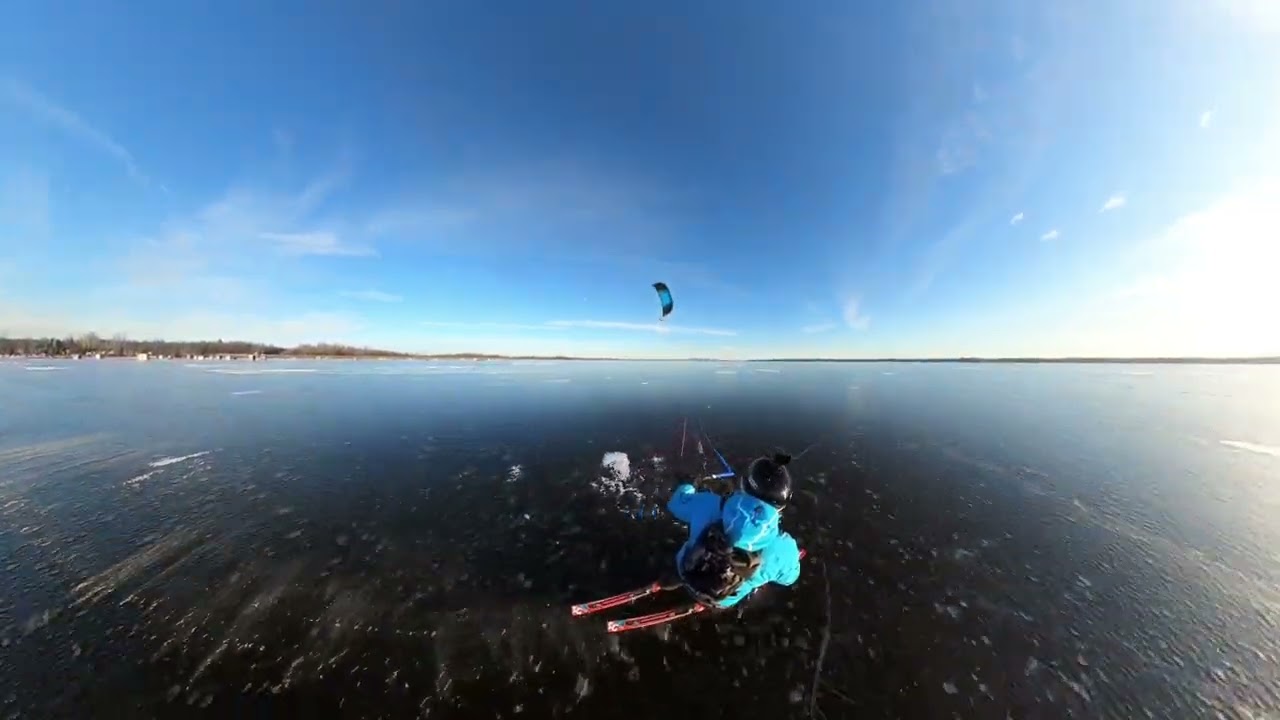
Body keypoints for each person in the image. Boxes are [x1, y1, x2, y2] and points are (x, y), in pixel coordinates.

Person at [665, 452, 803, 608]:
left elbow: (675, 504)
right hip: (724, 600)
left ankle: (680, 578)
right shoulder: (784, 549)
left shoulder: (708, 503)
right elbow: (790, 578)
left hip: (684, 569)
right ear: (783, 505)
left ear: (743, 485)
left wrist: (688, 485)